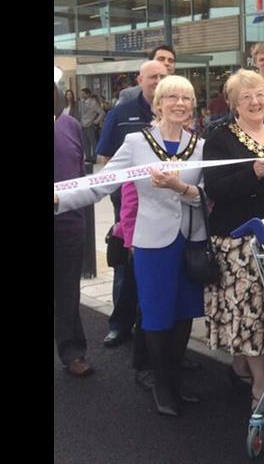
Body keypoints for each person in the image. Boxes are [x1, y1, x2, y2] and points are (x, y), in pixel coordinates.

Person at [56, 75, 206, 416]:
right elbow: (101, 183)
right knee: (156, 313)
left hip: (189, 240)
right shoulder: (137, 142)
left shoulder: (199, 145)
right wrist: (59, 198)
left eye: (186, 98)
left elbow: (205, 198)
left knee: (184, 313)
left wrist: (183, 189)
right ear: (158, 104)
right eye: (172, 98)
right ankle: (162, 385)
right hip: (153, 243)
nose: (180, 104)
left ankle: (176, 379)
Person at [202, 69, 264, 413]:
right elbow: (216, 189)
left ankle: (241, 365)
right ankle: (260, 383)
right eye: (246, 97)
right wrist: (252, 173)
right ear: (233, 104)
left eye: (261, 94)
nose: (256, 102)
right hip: (238, 240)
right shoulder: (219, 138)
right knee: (249, 313)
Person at [96, 60, 168, 351]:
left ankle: (149, 327)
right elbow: (104, 158)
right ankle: (120, 325)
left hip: (164, 206)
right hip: (127, 204)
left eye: (164, 75)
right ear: (140, 79)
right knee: (126, 269)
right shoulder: (121, 113)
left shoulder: (178, 113)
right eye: (153, 76)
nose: (158, 80)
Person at [54, 83, 94, 378]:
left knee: (67, 292)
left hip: (68, 224)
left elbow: (80, 173)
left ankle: (72, 352)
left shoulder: (71, 125)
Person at [78, 87, 105, 163]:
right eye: (81, 93)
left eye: (83, 94)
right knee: (85, 142)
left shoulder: (93, 103)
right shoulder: (81, 103)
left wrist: (96, 121)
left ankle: (94, 158)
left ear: (87, 94)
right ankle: (88, 157)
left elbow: (102, 112)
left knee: (93, 142)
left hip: (90, 124)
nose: (81, 95)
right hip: (82, 124)